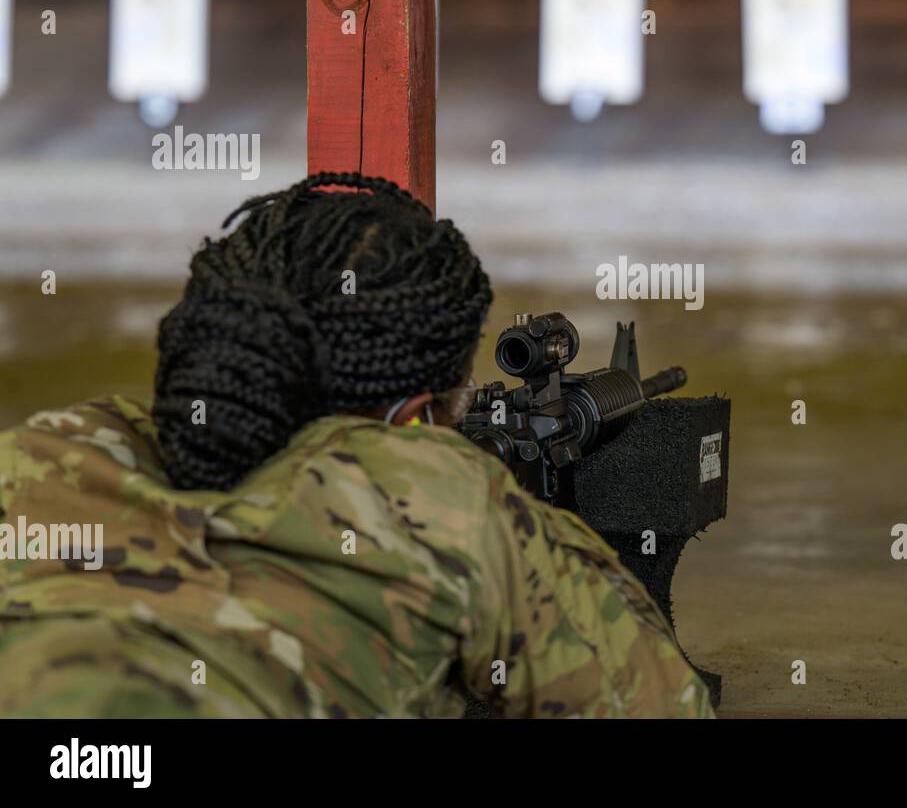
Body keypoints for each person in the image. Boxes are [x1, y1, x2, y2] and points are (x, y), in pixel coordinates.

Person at [0, 173, 713, 719]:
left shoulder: (51, 449)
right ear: (412, 418)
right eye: (458, 402)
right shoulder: (444, 505)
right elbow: (661, 703)